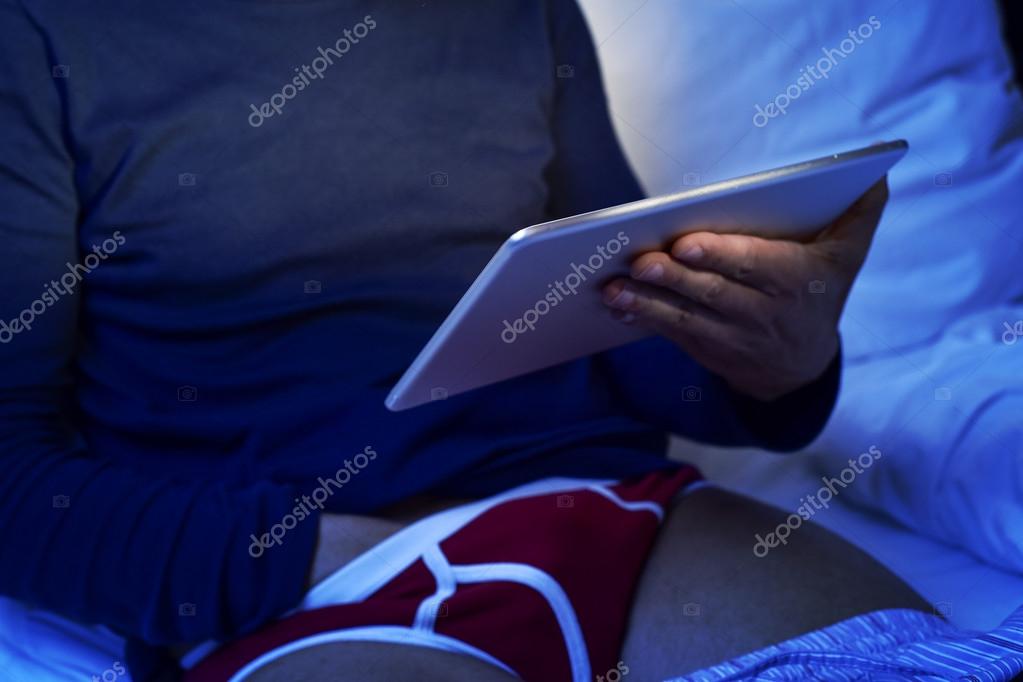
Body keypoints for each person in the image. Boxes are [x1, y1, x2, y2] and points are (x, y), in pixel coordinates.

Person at [7, 2, 1018, 681]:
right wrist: (292, 555)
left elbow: (612, 315)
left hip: (608, 510)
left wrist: (775, 363)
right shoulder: (37, 37)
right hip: (298, 581)